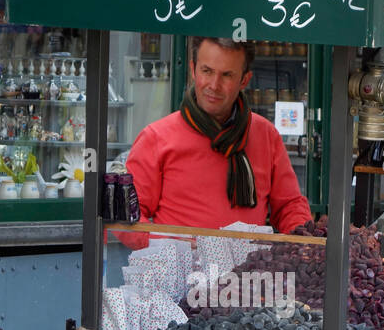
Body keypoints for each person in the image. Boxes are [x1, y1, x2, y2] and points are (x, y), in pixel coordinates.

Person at [125, 37, 312, 234]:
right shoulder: (155, 137)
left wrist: (300, 233)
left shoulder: (266, 135)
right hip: (179, 264)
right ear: (193, 69)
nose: (214, 85)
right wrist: (168, 247)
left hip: (249, 264)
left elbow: (289, 206)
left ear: (244, 80)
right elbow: (128, 216)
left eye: (227, 75)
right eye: (207, 71)